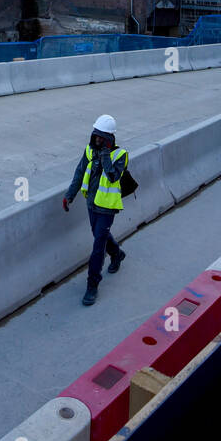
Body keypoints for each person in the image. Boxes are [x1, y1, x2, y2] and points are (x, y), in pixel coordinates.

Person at [63, 114, 129, 307]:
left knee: (98, 244)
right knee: (99, 235)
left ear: (110, 138)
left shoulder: (120, 155)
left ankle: (92, 285)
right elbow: (79, 172)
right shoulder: (89, 150)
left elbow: (112, 177)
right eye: (95, 136)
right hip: (91, 203)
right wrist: (70, 195)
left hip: (107, 207)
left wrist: (106, 155)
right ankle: (117, 253)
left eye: (102, 138)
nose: (98, 140)